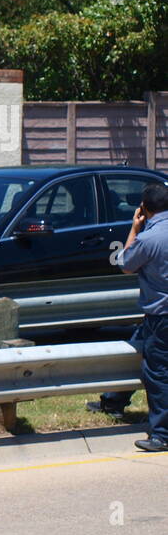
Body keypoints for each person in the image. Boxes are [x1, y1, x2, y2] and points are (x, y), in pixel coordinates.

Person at [87, 181, 168, 451]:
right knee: (136, 347)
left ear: (144, 209)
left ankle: (162, 435)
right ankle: (113, 401)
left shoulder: (149, 238)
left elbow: (124, 264)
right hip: (155, 319)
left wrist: (134, 229)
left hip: (161, 316)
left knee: (157, 374)